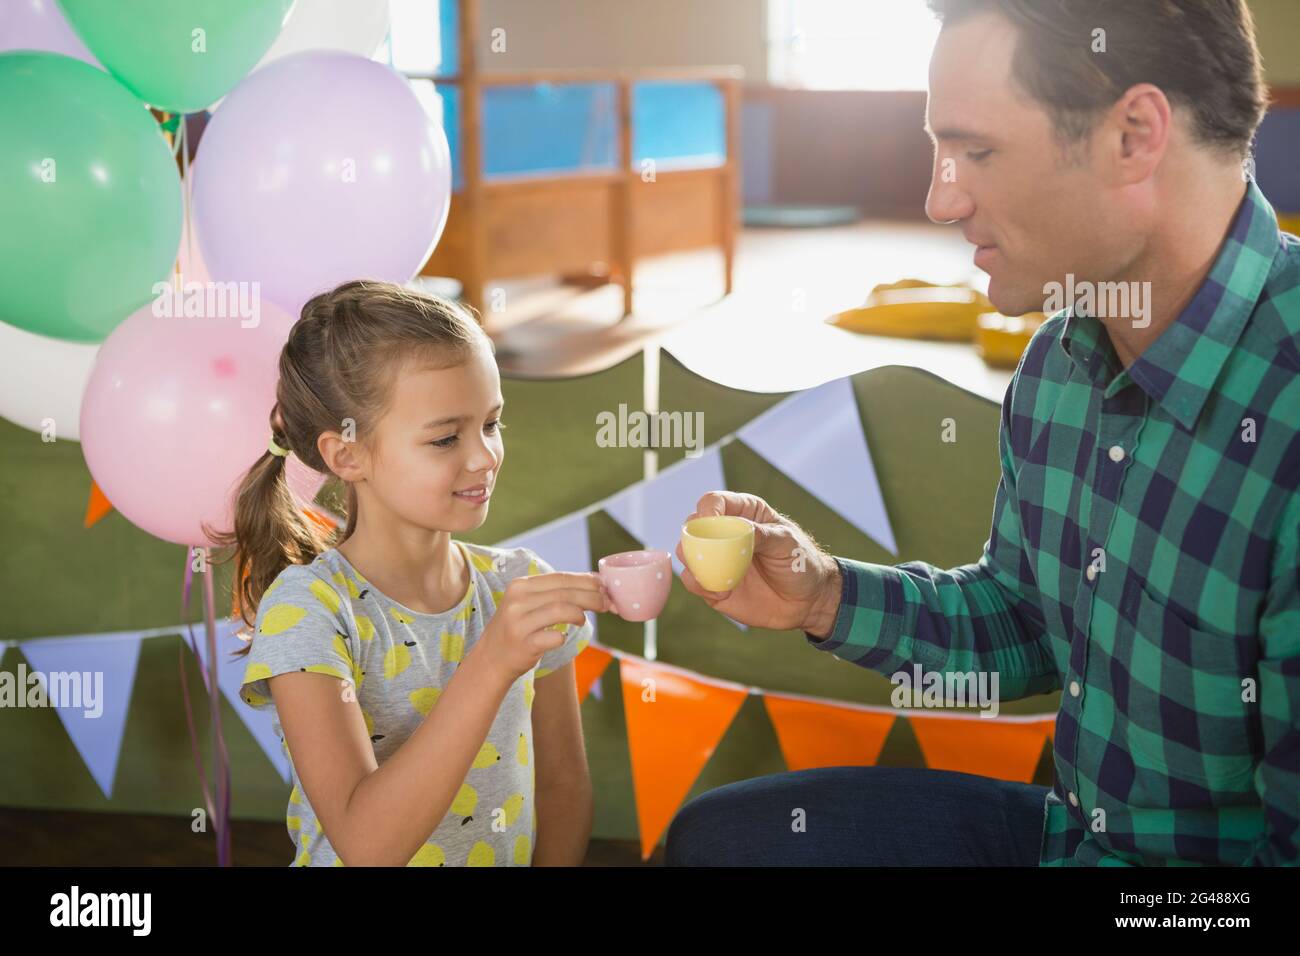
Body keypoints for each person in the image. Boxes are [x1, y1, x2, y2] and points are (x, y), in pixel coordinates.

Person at [666, 0, 1299, 866]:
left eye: (978, 150)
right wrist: (821, 595)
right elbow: (1028, 623)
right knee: (721, 845)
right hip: (1070, 840)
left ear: (1135, 134)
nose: (939, 198)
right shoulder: (1057, 362)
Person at [211, 280, 611, 866]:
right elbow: (367, 845)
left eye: (491, 424)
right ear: (347, 454)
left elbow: (564, 787)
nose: (483, 456)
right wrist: (492, 662)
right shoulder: (310, 610)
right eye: (446, 437)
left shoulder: (517, 586)